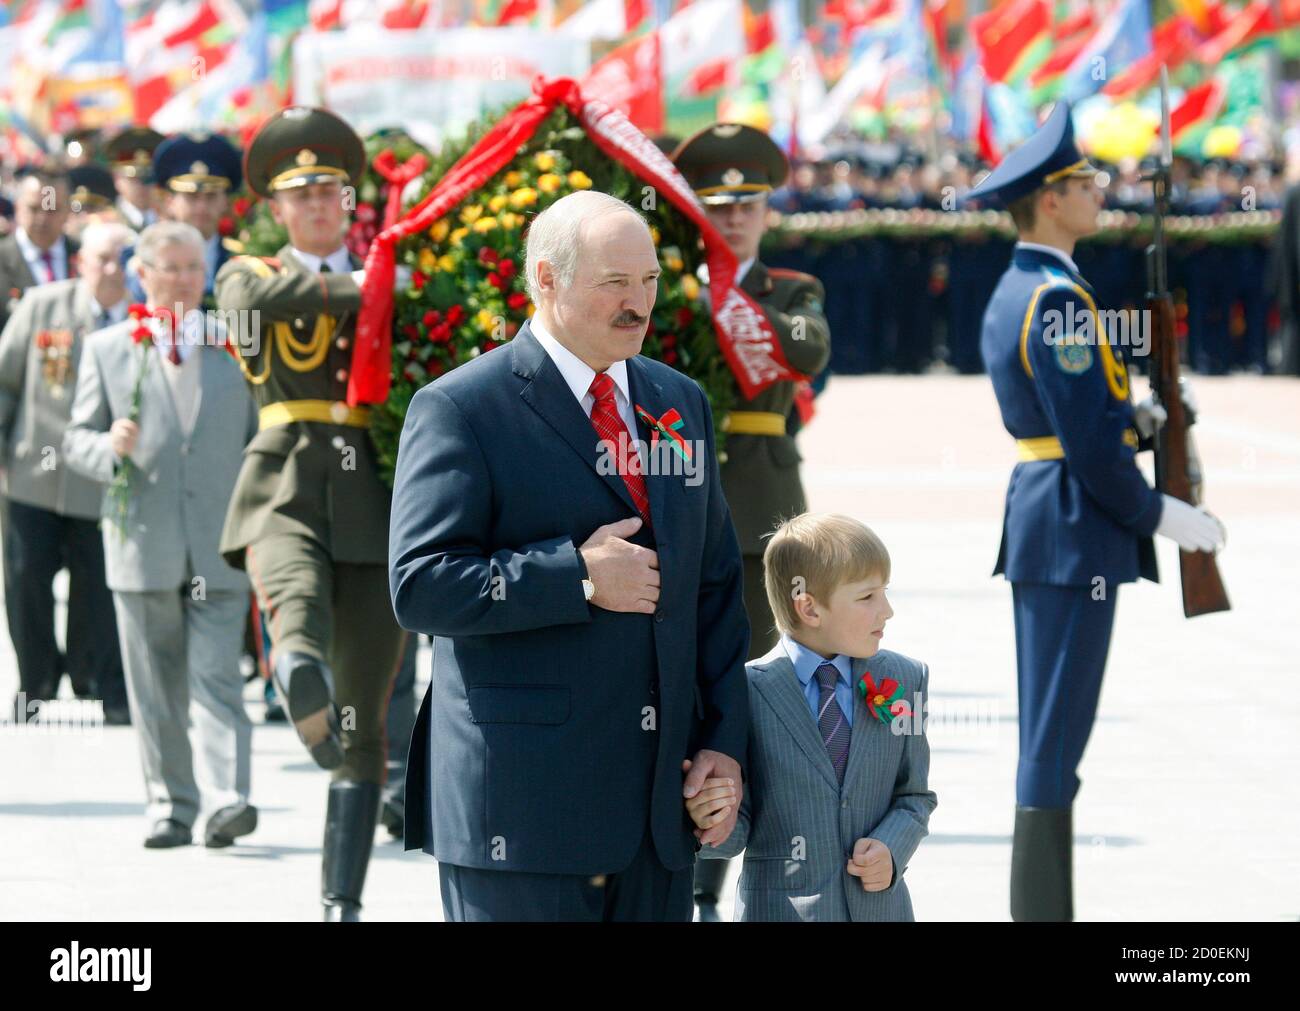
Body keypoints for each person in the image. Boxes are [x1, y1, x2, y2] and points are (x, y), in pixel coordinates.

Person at [390, 190, 751, 922]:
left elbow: (714, 584)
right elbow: (422, 584)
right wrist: (577, 576)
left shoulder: (679, 402)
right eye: (615, 282)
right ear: (546, 280)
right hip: (522, 816)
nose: (638, 303)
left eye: (649, 280)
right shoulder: (463, 408)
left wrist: (724, 739)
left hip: (657, 816)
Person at [970, 102, 1227, 920]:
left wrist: (1138, 422)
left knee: (1052, 734)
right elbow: (1083, 443)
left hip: (1053, 519)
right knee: (1055, 738)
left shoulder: (1028, 288)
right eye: (1084, 182)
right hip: (1074, 524)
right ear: (1050, 200)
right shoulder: (1057, 301)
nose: (1098, 191)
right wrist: (1158, 514)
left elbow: (1077, 415)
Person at [215, 106, 405, 920]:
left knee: (366, 713)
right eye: (301, 194)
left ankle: (340, 898)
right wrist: (363, 287)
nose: (318, 204)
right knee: (290, 597)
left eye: (330, 191)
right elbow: (248, 314)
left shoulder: (391, 275)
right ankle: (296, 670)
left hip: (373, 497)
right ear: (277, 206)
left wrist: (381, 283)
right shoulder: (246, 272)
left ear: (349, 201)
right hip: (284, 480)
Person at [671, 121, 831, 920]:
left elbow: (807, 352)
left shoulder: (790, 290)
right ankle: (683, 859)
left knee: (748, 690)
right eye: (718, 205)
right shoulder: (665, 288)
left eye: (747, 205)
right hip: (679, 494)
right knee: (683, 688)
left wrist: (733, 300)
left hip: (763, 507)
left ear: (768, 211)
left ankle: (716, 872)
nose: (733, 218)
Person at [62, 221, 259, 849]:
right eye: (170, 268)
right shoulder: (108, 348)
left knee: (218, 677)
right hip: (142, 545)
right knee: (154, 686)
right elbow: (74, 439)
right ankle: (172, 805)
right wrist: (108, 448)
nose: (183, 280)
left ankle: (228, 800)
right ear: (141, 274)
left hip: (220, 544)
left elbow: (261, 440)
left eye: (194, 268)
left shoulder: (235, 344)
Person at [693, 513, 936, 920]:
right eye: (868, 597)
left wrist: (892, 848)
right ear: (809, 607)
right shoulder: (746, 692)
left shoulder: (904, 679)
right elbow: (738, 826)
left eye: (885, 592)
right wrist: (709, 821)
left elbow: (914, 795)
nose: (887, 610)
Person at [0, 222, 134, 722]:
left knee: (98, 588)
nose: (113, 270)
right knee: (26, 582)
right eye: (103, 259)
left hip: (103, 484)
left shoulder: (141, 320)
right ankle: (35, 683)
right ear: (81, 262)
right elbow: (5, 380)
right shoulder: (44, 305)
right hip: (34, 474)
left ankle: (96, 681)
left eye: (123, 259)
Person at [150, 133, 242, 300]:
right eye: (191, 197)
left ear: (225, 202)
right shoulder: (149, 260)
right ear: (170, 201)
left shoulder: (241, 260)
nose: (202, 207)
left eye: (211, 196)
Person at [0, 165, 78, 334]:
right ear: (18, 207)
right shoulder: (3, 259)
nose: (42, 219)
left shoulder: (84, 257)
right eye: (34, 208)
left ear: (68, 211)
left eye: (52, 209)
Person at [104, 127, 164, 232]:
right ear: (116, 178)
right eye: (133, 178)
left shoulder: (167, 220)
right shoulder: (106, 224)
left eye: (149, 178)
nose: (142, 185)